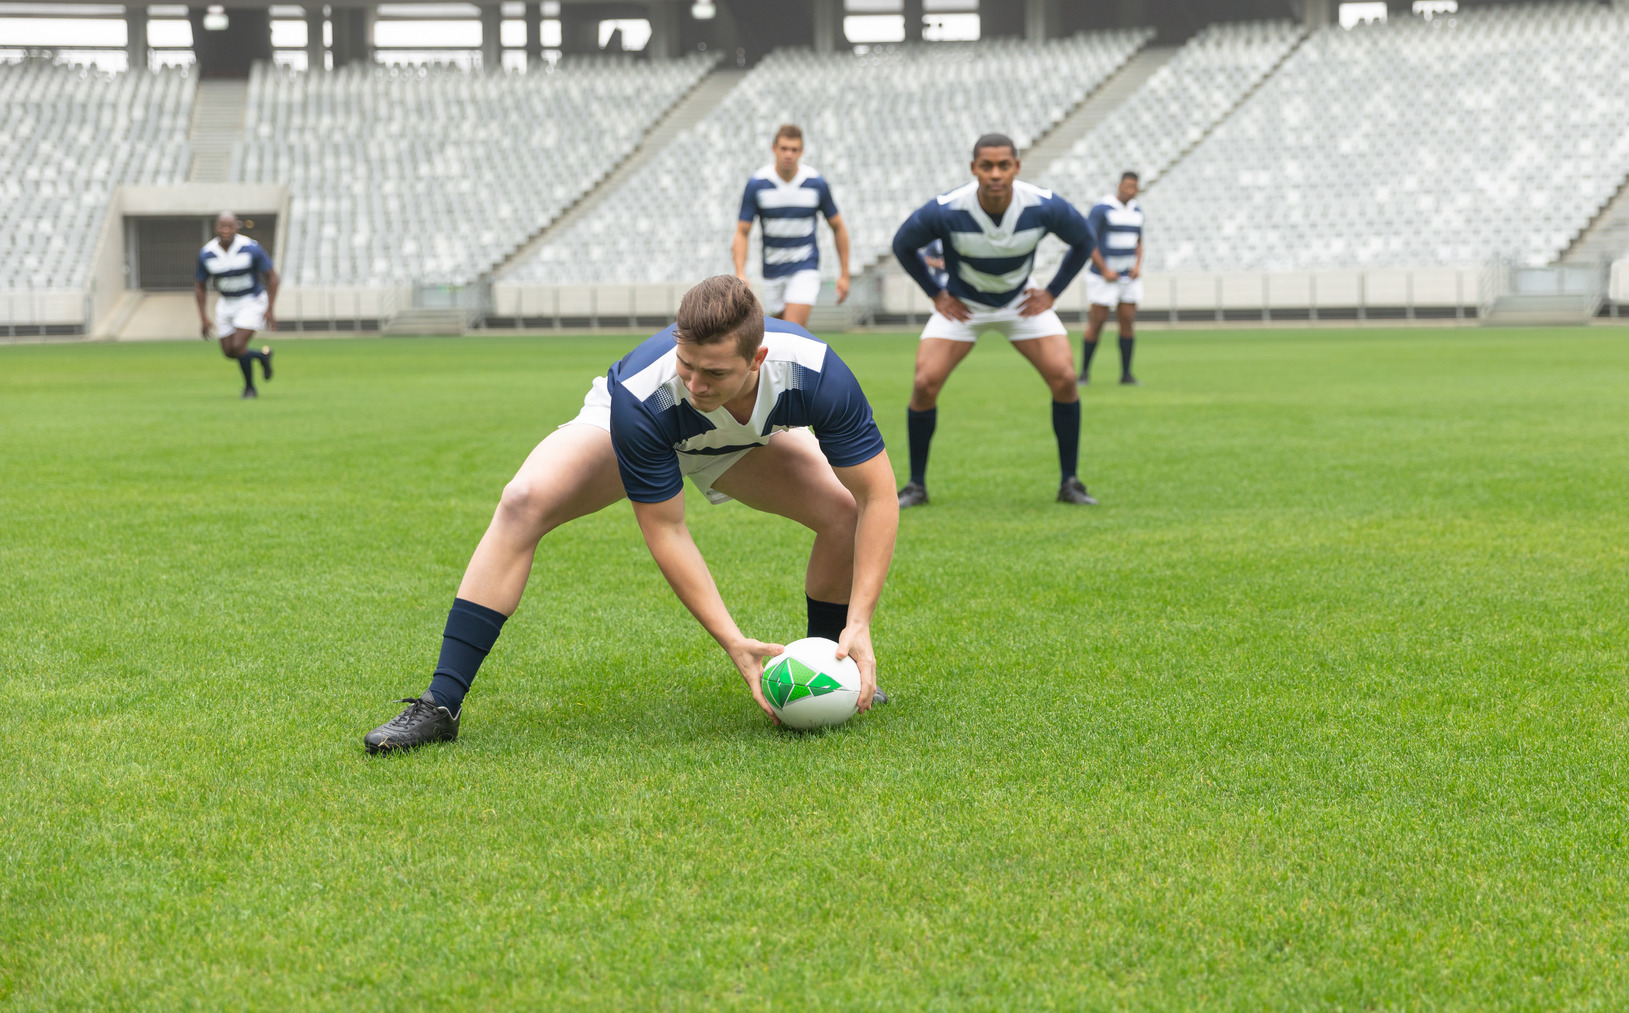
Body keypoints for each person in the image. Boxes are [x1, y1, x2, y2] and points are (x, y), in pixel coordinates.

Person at [362, 275, 898, 754]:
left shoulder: (815, 373)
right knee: (522, 501)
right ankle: (441, 704)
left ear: (756, 361)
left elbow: (878, 496)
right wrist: (732, 639)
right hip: (639, 428)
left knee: (844, 512)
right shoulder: (648, 391)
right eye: (686, 364)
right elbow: (667, 527)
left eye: (713, 372)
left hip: (740, 440)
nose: (696, 385)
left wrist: (861, 621)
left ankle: (833, 668)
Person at [889, 133, 1099, 508]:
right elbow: (903, 243)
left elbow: (1084, 238)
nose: (996, 174)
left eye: (1004, 165)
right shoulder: (948, 209)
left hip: (1020, 303)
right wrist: (936, 295)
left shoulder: (1042, 205)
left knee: (1065, 378)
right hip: (964, 306)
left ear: (1017, 167)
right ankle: (916, 485)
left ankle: (1070, 482)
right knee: (924, 383)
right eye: (987, 166)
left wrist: (1051, 292)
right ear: (974, 169)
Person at [732, 124, 851, 326]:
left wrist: (845, 274)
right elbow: (742, 232)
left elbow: (838, 226)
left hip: (804, 265)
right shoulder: (757, 184)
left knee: (792, 331)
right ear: (774, 149)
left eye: (794, 150)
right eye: (784, 148)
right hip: (772, 270)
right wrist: (740, 272)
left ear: (801, 152)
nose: (789, 154)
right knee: (778, 338)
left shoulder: (815, 183)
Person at [195, 211, 277, 399]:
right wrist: (203, 317)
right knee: (229, 352)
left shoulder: (251, 248)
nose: (225, 230)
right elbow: (199, 285)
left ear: (237, 227)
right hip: (227, 302)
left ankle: (250, 388)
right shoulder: (207, 253)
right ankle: (262, 356)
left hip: (251, 301)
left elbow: (273, 277)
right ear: (215, 228)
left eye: (229, 226)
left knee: (239, 347)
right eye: (222, 226)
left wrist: (270, 309)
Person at [1078, 172, 1145, 386]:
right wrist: (1104, 269)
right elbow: (1089, 241)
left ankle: (1126, 374)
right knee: (1097, 322)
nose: (1129, 190)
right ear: (1119, 186)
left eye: (1133, 187)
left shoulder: (1137, 211)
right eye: (1126, 186)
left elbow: (1139, 241)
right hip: (1103, 277)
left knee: (1127, 321)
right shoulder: (1102, 208)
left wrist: (1137, 266)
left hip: (1127, 277)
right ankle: (1084, 373)